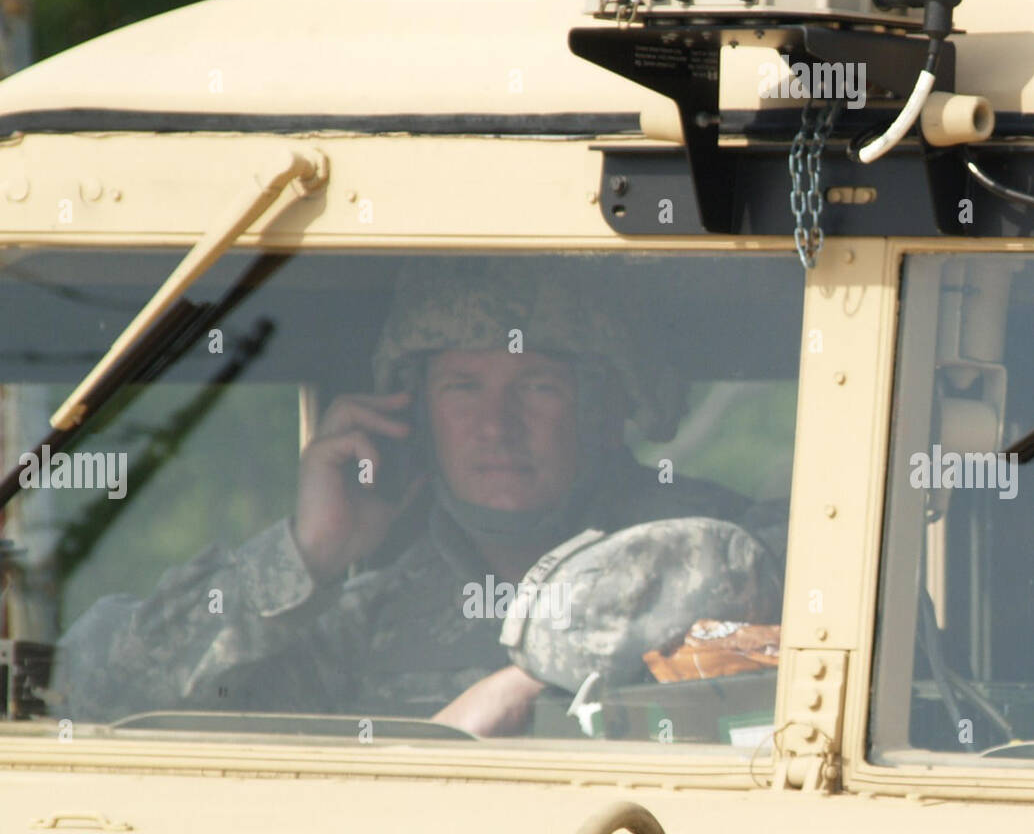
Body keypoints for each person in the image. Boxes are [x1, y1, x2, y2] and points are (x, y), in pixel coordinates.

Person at [56, 261, 784, 736]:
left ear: (608, 404)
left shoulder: (740, 558)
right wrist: (302, 557)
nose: (495, 426)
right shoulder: (365, 620)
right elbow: (87, 695)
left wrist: (536, 674)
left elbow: (806, 639)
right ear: (413, 413)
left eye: (537, 386)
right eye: (462, 388)